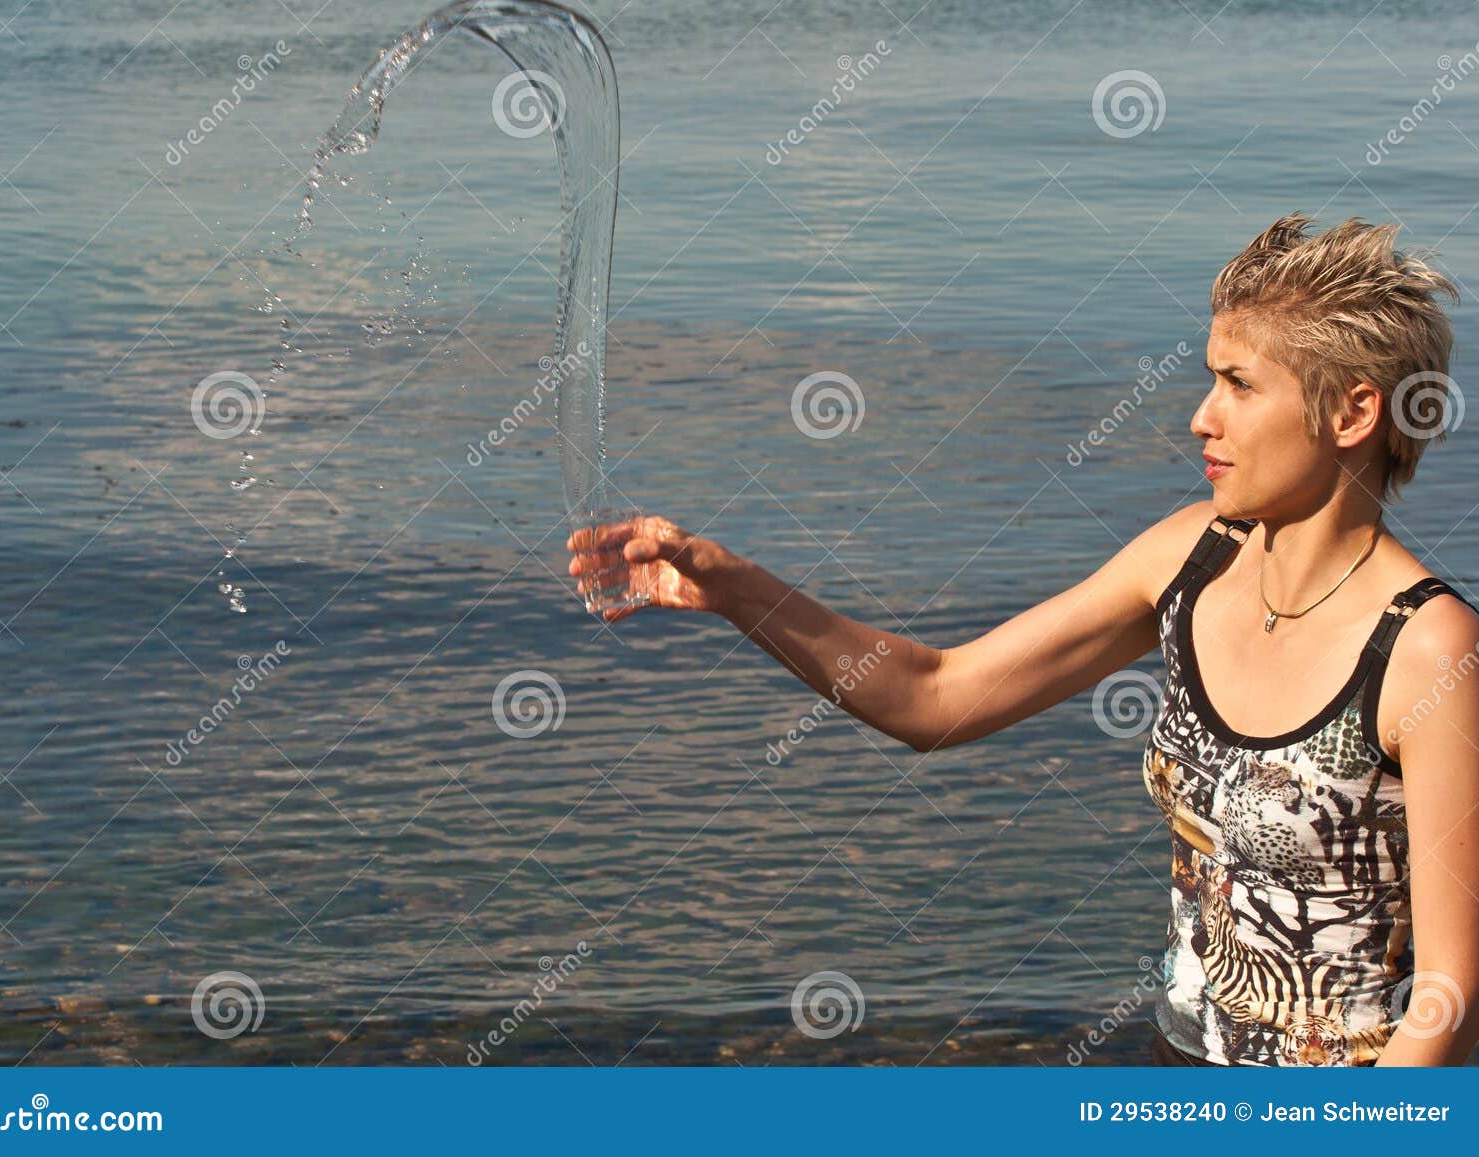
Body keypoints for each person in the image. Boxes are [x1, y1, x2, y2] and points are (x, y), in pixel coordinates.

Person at [566, 214, 1479, 1067]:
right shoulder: (1192, 559)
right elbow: (933, 696)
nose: (1202, 416)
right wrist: (734, 589)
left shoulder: (1427, 650)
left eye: (1240, 385)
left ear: (1353, 414)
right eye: (1211, 379)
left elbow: (1448, 997)